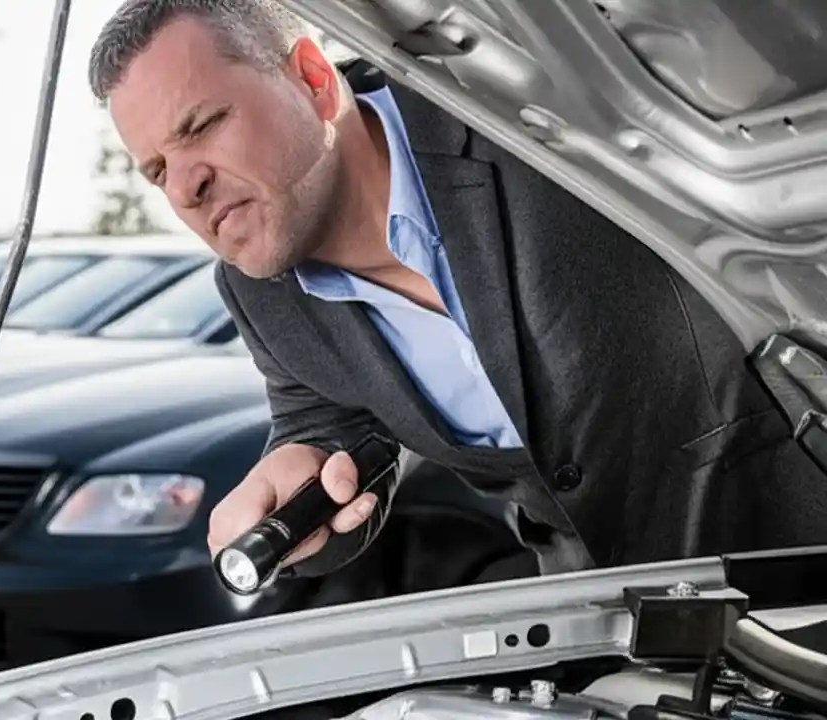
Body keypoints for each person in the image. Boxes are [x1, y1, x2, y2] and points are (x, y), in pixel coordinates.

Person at [87, 0, 827, 584]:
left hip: (797, 560)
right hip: (604, 634)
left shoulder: (518, 120)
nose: (186, 186)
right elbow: (324, 431)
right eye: (156, 170)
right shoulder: (261, 295)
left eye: (203, 126)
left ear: (312, 78)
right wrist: (295, 491)